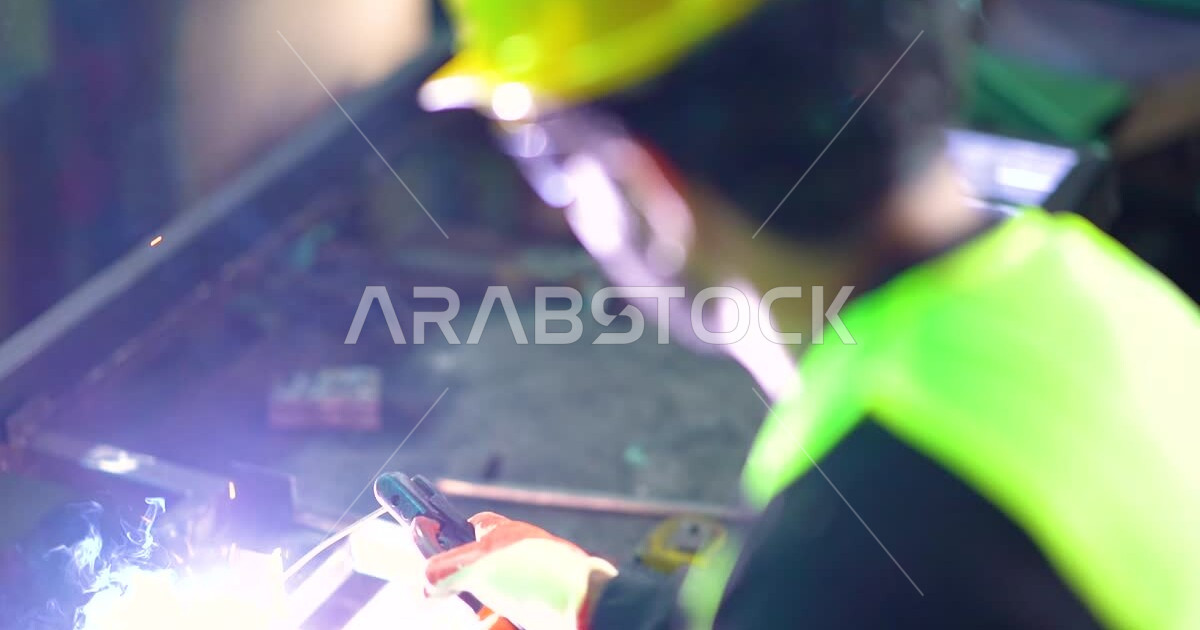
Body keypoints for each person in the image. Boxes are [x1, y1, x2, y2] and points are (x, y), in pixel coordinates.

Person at [410, 0, 1200, 628]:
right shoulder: (1083, 282)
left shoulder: (855, 538)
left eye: (552, 167)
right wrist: (588, 600)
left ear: (643, 182)